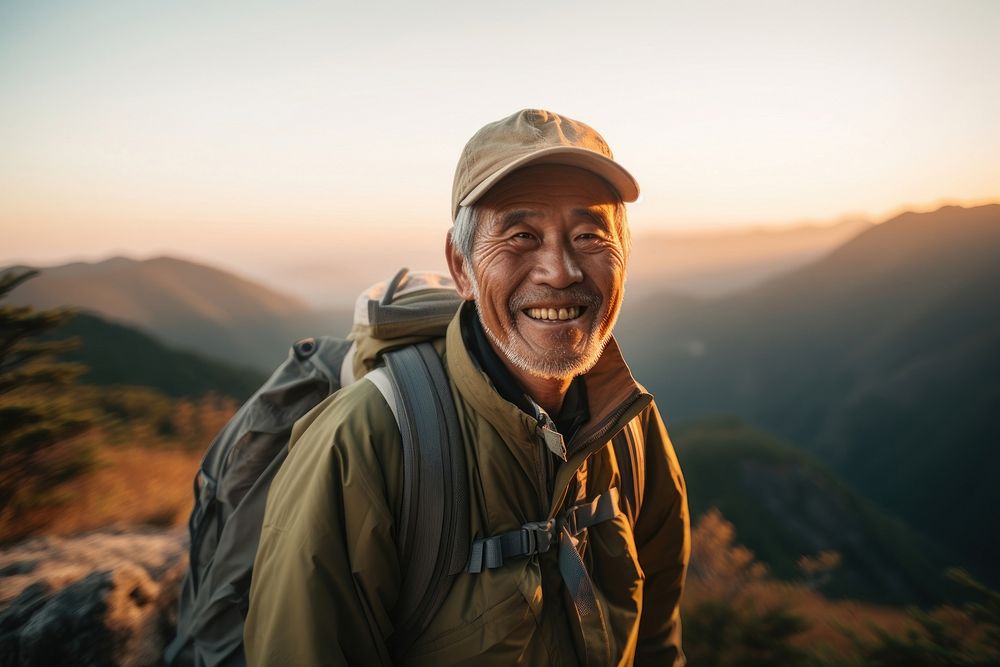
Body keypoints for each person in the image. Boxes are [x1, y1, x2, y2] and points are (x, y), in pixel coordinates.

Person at [244, 109, 690, 666]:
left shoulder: (630, 426)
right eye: (521, 235)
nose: (560, 269)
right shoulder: (365, 442)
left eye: (588, 235)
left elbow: (657, 642)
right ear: (462, 268)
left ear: (623, 259)